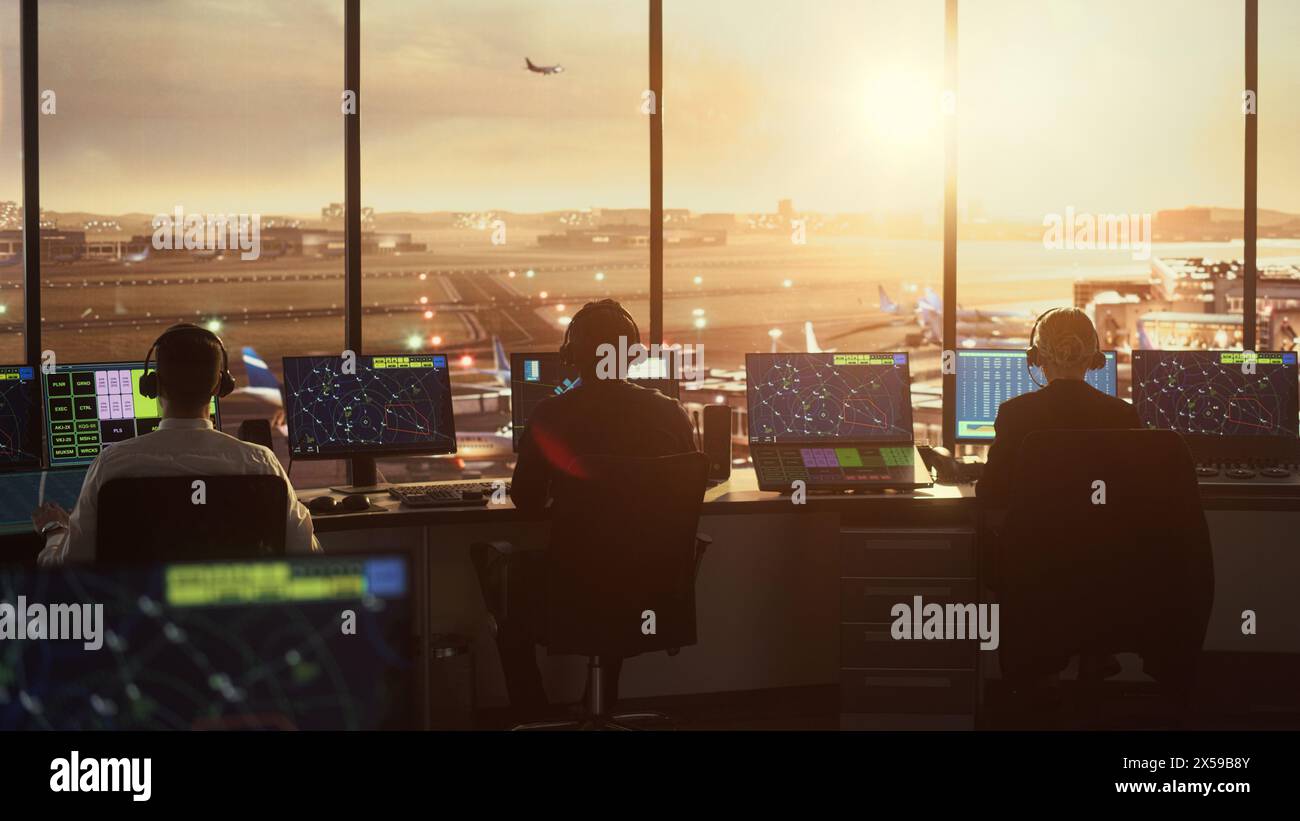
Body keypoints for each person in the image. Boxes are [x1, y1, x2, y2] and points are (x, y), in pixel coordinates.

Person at [475, 299, 697, 716]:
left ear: (570, 356)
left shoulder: (551, 413)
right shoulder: (671, 412)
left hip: (573, 587)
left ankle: (532, 714)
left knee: (491, 561)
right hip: (653, 589)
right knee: (618, 574)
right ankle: (600, 708)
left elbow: (527, 500)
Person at [32, 324, 319, 564]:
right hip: (235, 625)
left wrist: (55, 530)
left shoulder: (113, 464)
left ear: (153, 385)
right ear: (221, 386)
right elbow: (309, 556)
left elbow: (68, 572)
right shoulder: (262, 464)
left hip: (145, 627)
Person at [976, 307, 1139, 510]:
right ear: (1093, 359)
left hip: (1034, 539)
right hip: (1103, 539)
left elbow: (990, 493)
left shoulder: (1014, 414)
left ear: (1037, 357)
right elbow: (1135, 494)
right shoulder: (1124, 415)